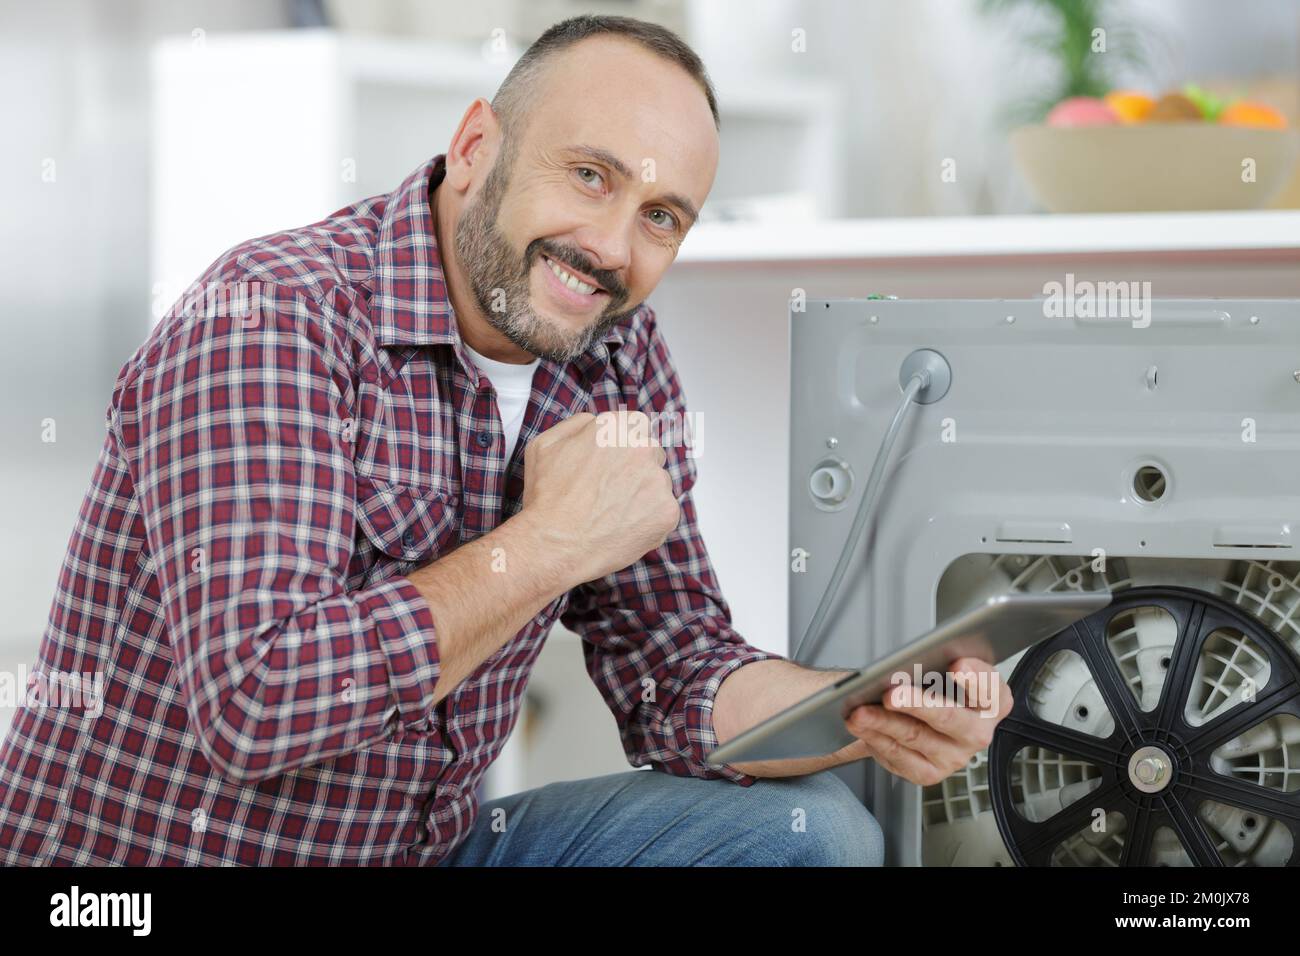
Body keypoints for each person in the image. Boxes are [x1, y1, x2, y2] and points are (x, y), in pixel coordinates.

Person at [0, 14, 1010, 867]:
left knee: (816, 834)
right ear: (477, 145)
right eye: (588, 175)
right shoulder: (270, 317)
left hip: (422, 845)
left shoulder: (609, 350)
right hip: (156, 868)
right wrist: (550, 544)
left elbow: (674, 671)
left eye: (661, 216)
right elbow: (259, 702)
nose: (613, 247)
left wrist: (863, 703)